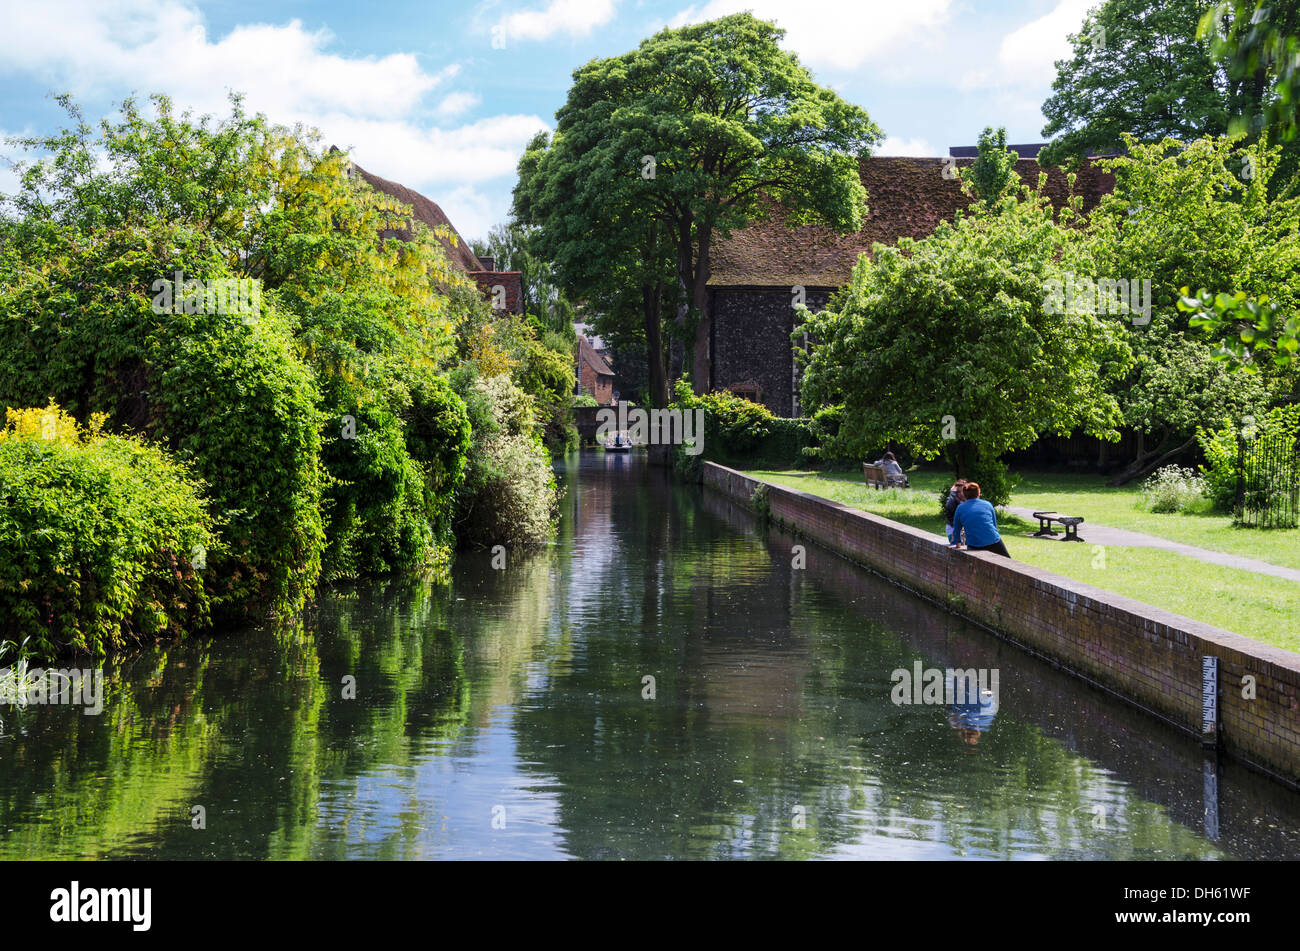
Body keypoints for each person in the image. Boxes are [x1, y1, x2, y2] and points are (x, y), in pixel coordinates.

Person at [948, 482, 1011, 558]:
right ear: (978, 493)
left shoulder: (960, 508)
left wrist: (957, 543)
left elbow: (957, 528)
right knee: (1008, 560)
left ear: (964, 495)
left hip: (974, 544)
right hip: (993, 541)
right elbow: (994, 525)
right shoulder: (988, 504)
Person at [943, 479, 969, 545]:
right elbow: (949, 507)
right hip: (953, 529)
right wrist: (952, 493)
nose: (962, 494)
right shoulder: (952, 500)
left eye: (963, 491)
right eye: (958, 492)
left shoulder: (968, 499)